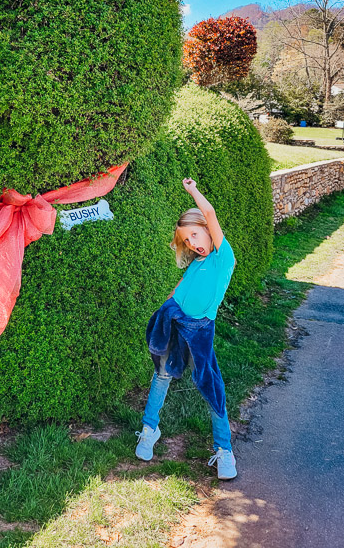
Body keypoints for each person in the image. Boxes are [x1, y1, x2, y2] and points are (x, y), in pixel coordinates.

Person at [135, 178, 237, 480]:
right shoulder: (197, 263)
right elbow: (177, 292)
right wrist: (167, 308)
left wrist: (193, 191)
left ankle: (224, 450)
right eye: (187, 241)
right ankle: (148, 429)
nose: (193, 244)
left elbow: (211, 213)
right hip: (175, 321)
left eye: (195, 235)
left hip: (201, 329)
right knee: (163, 374)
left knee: (210, 384)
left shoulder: (223, 258)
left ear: (206, 228)